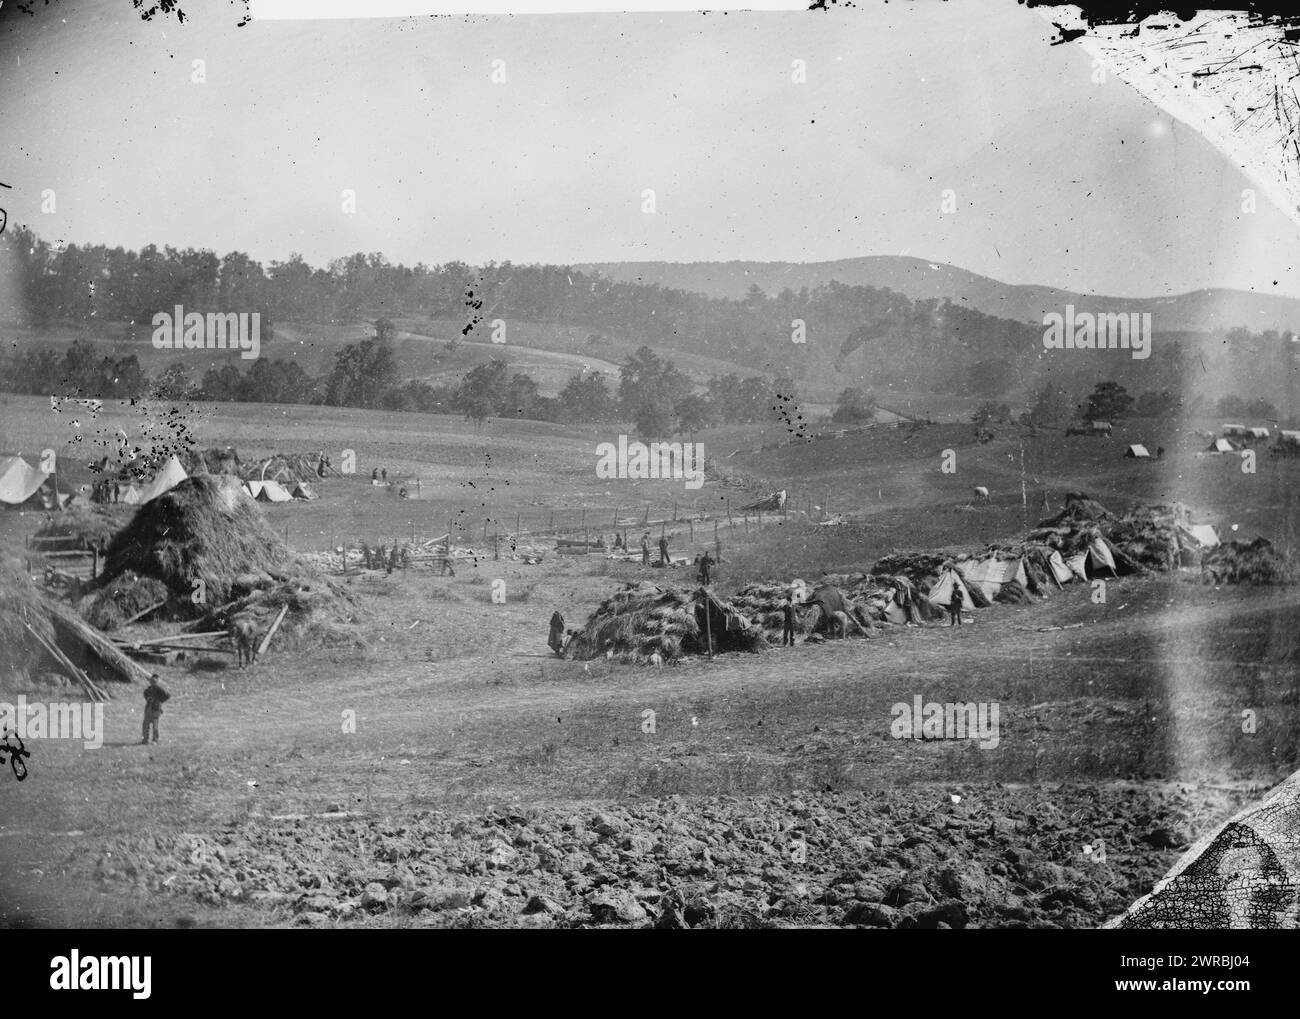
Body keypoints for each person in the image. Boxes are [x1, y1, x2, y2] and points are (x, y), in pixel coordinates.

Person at [141, 674, 170, 745]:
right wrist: (149, 700)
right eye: (151, 681)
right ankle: (145, 739)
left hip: (156, 709)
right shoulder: (147, 690)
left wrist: (160, 701)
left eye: (154, 681)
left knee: (155, 725)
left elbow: (167, 695)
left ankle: (155, 740)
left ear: (157, 681)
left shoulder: (159, 689)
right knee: (145, 724)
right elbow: (146, 696)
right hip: (149, 708)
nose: (153, 682)